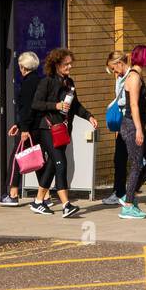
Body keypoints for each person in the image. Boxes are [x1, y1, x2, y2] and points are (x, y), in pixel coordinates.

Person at [30, 47, 98, 217]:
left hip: (62, 129)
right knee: (61, 163)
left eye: (70, 64)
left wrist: (89, 117)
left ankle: (38, 201)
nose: (69, 67)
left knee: (53, 165)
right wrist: (56, 106)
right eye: (66, 64)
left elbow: (75, 106)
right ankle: (66, 205)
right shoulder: (47, 81)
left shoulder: (69, 83)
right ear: (57, 65)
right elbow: (36, 103)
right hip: (47, 128)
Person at [102, 52, 146, 206]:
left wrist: (139, 127)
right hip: (127, 123)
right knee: (129, 159)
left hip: (130, 123)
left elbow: (130, 103)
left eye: (113, 68)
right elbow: (131, 100)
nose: (114, 72)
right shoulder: (124, 77)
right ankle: (125, 196)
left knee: (140, 160)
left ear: (120, 63)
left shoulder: (131, 77)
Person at [116, 44, 146, 220]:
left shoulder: (136, 76)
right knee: (137, 164)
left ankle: (130, 196)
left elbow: (137, 100)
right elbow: (132, 105)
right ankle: (128, 205)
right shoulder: (134, 77)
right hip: (132, 126)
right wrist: (139, 130)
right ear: (144, 58)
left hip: (136, 125)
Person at [0, 51, 41, 207]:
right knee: (38, 161)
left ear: (23, 67)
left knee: (16, 159)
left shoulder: (29, 83)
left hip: (29, 128)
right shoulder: (39, 80)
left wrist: (24, 128)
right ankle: (46, 195)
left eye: (19, 66)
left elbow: (27, 108)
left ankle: (12, 194)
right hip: (36, 127)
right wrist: (18, 124)